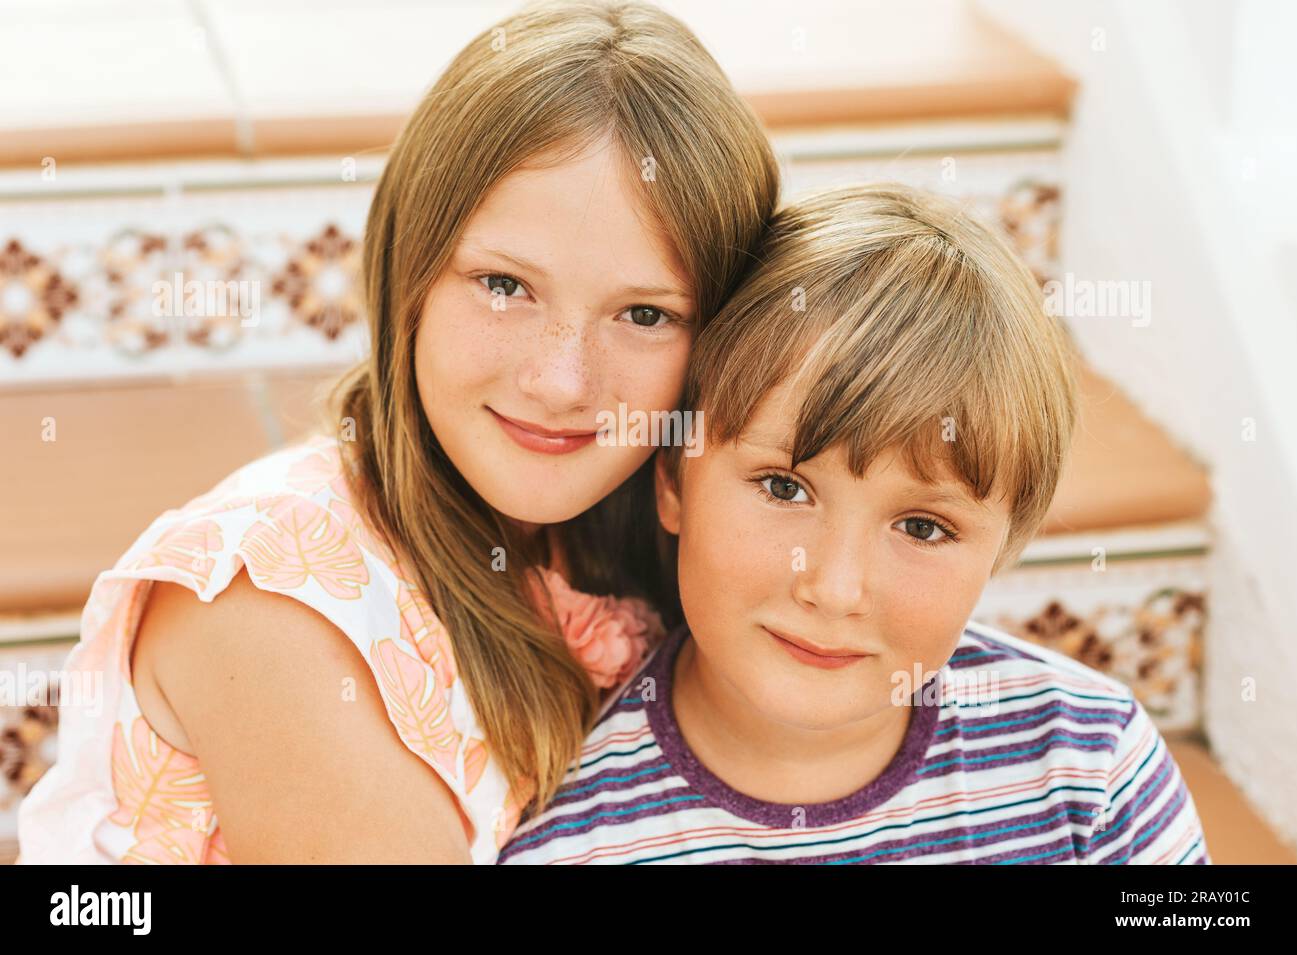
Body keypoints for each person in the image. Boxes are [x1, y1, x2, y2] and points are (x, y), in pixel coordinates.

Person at [15, 0, 780, 864]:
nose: (562, 380)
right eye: (503, 285)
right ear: (407, 271)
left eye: (644, 313)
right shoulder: (271, 603)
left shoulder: (621, 533)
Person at [497, 184, 1212, 865]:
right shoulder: (568, 832)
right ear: (672, 482)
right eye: (784, 487)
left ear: (1003, 548)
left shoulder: (1092, 769)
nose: (835, 589)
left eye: (924, 528)